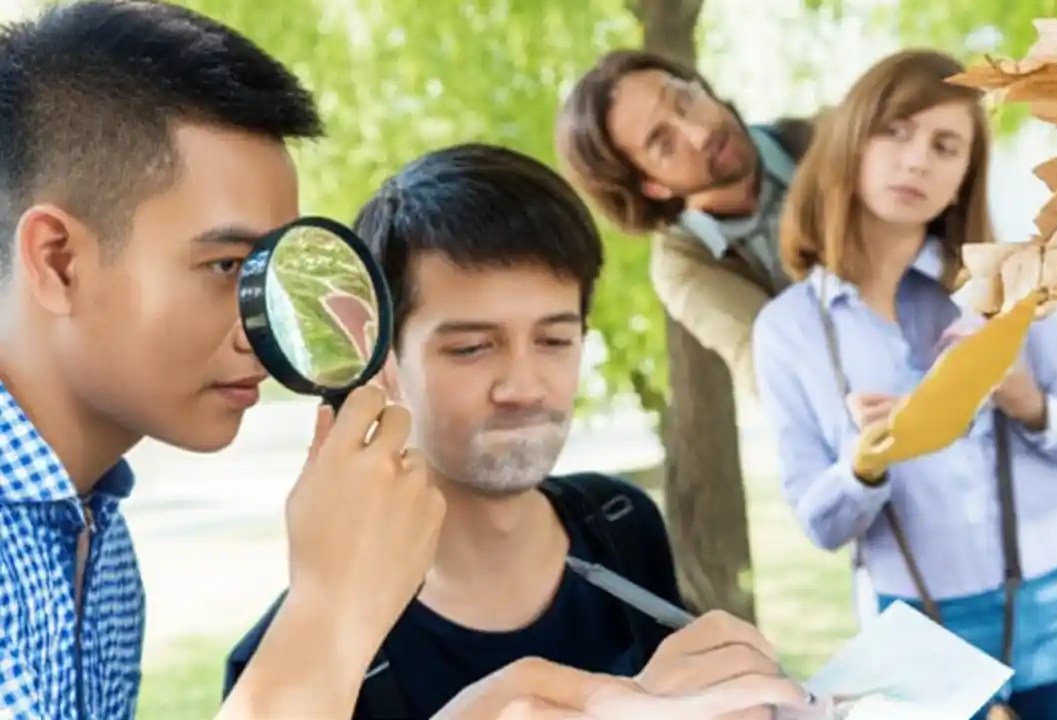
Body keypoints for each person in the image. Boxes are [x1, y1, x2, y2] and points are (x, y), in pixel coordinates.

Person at [223, 143, 813, 719]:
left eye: (555, 340)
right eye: (473, 348)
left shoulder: (618, 522)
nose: (524, 386)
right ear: (384, 364)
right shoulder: (293, 670)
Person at [0, 2, 448, 718]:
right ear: (59, 262)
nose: (262, 330)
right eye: (226, 266)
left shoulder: (100, 544)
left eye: (273, 272)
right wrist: (328, 613)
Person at [753, 49, 1057, 719]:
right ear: (849, 142)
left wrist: (1023, 397)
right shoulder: (788, 330)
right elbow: (819, 521)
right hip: (919, 629)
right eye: (895, 131)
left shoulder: (1006, 285)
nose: (917, 159)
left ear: (962, 179)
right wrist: (863, 464)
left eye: (945, 145)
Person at [555, 50, 818, 394]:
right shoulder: (684, 265)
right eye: (665, 144)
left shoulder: (831, 138)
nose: (700, 132)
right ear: (652, 186)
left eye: (685, 100)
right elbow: (773, 371)